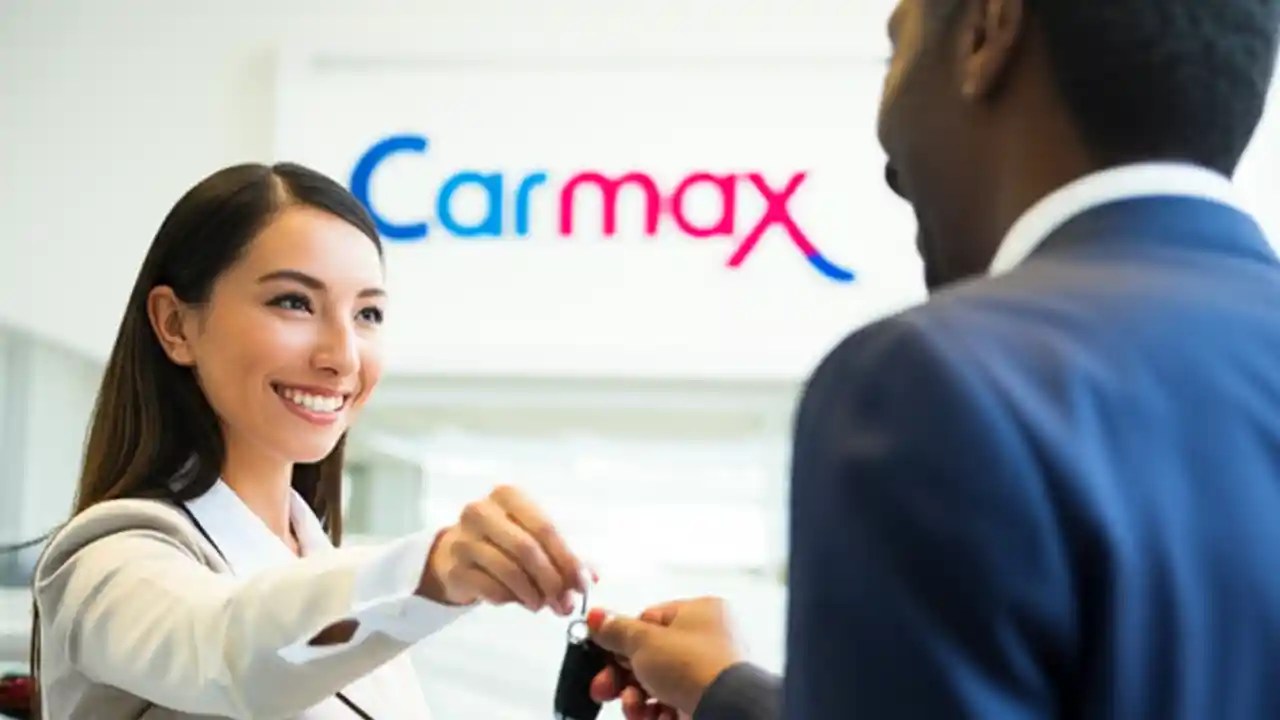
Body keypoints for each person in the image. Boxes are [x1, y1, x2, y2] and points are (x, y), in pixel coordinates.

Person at [586, 0, 1280, 718]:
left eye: (897, 53)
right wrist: (729, 695)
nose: (890, 160)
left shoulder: (931, 382)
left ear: (987, 32)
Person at [31, 162, 591, 719]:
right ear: (176, 325)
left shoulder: (330, 574)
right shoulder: (107, 561)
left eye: (367, 313)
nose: (342, 356)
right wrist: (430, 572)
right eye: (294, 302)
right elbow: (226, 651)